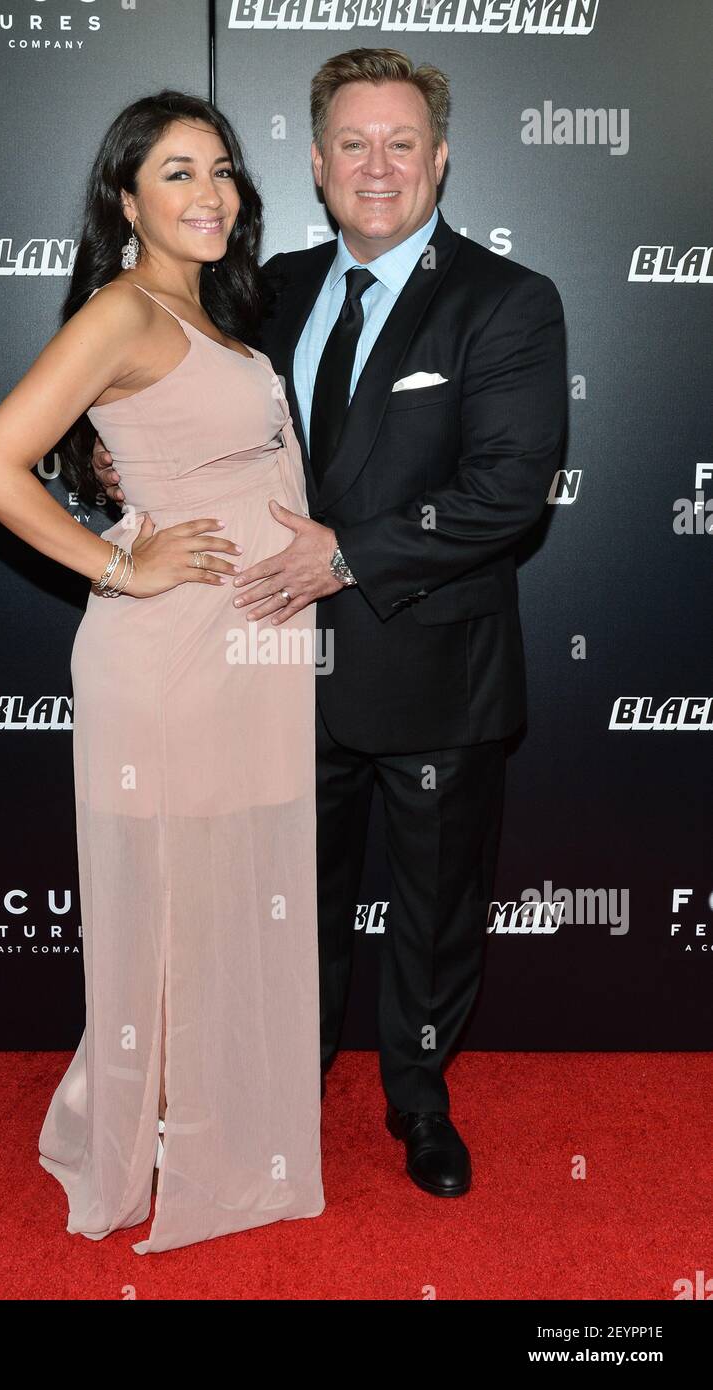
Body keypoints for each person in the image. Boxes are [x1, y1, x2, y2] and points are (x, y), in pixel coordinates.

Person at [92, 50, 568, 1201]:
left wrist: (347, 554)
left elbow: (506, 492)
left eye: (399, 142)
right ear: (312, 162)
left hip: (430, 664)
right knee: (276, 900)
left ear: (439, 159)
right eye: (350, 143)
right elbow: (171, 400)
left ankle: (417, 1101)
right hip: (268, 666)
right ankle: (272, 1087)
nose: (375, 165)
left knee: (433, 908)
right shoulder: (265, 291)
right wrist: (120, 460)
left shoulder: (506, 302)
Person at [0, 91, 325, 1254]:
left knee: (224, 891)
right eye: (175, 173)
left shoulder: (207, 311)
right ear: (126, 199)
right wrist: (120, 566)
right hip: (171, 660)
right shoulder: (123, 312)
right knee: (175, 898)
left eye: (220, 170)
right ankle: (153, 1138)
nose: (209, 193)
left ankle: (208, 1128)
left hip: (252, 651)